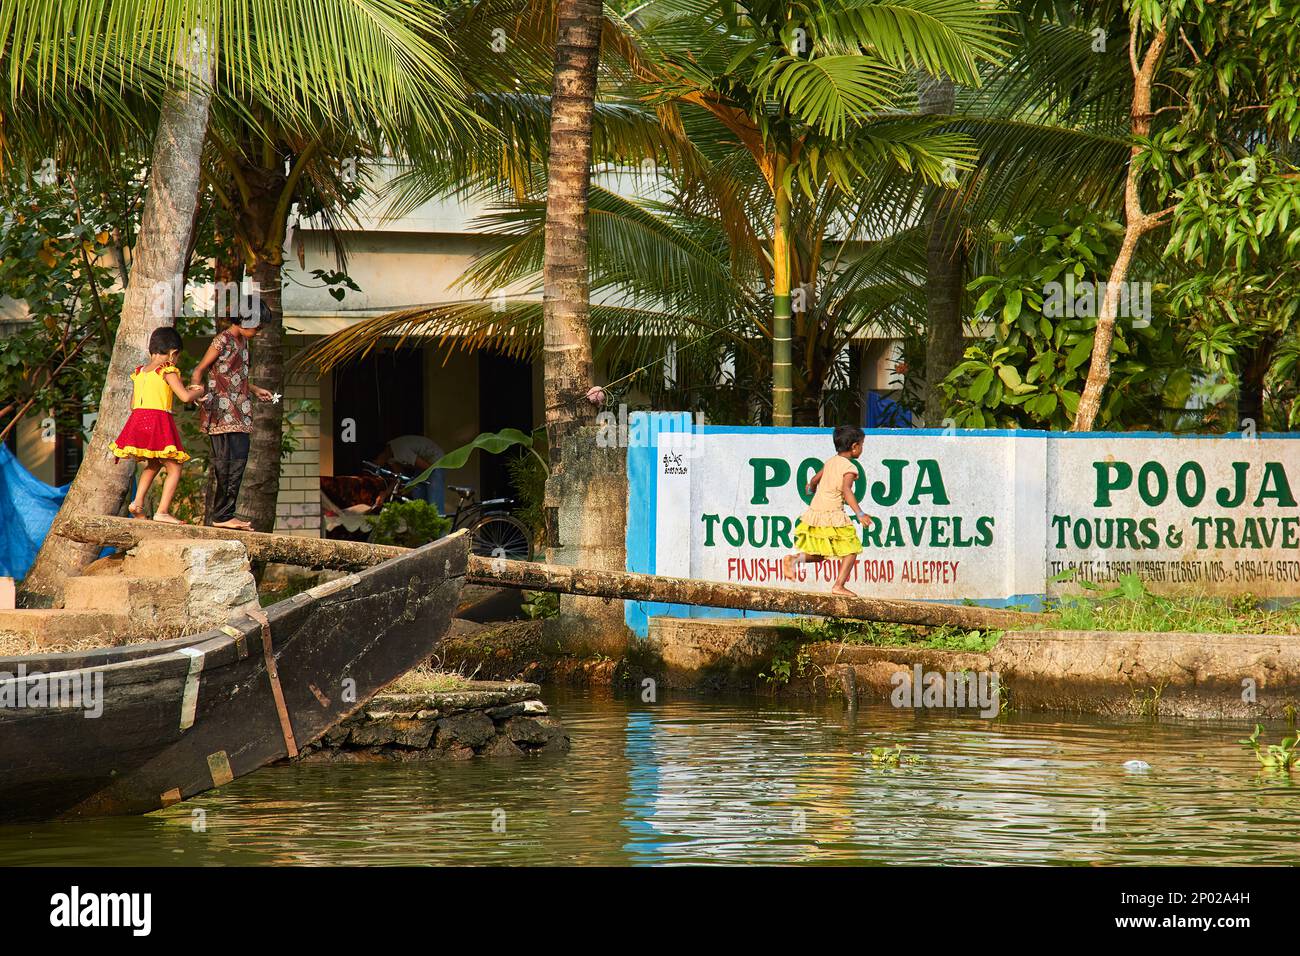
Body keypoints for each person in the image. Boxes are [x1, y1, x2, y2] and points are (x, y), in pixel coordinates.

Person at [110, 326, 206, 523]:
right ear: (173, 353)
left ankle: (136, 504)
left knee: (153, 463)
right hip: (157, 421)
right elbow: (185, 396)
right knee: (175, 467)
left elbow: (132, 404)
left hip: (138, 421)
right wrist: (199, 390)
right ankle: (162, 511)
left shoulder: (140, 372)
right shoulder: (167, 370)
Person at [191, 312, 276, 530]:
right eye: (257, 328)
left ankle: (226, 514)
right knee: (224, 463)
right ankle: (222, 516)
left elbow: (239, 377)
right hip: (220, 410)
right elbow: (200, 369)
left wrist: (256, 390)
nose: (258, 333)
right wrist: (196, 390)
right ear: (245, 321)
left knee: (239, 461)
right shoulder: (222, 340)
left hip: (241, 409)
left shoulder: (244, 341)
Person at [782, 424, 873, 596]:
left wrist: (810, 488)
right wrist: (860, 514)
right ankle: (838, 585)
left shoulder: (830, 461)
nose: (862, 448)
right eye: (861, 445)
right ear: (854, 447)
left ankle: (794, 559)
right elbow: (847, 491)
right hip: (832, 514)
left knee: (821, 554)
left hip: (816, 512)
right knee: (852, 550)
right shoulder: (849, 468)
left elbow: (814, 479)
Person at [375, 433, 446, 512]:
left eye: (375, 462)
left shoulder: (400, 450)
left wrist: (410, 485)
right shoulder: (389, 456)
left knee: (434, 502)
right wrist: (386, 493)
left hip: (434, 463)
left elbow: (428, 468)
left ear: (380, 455)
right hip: (422, 467)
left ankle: (437, 520)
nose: (377, 465)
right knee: (418, 495)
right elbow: (399, 476)